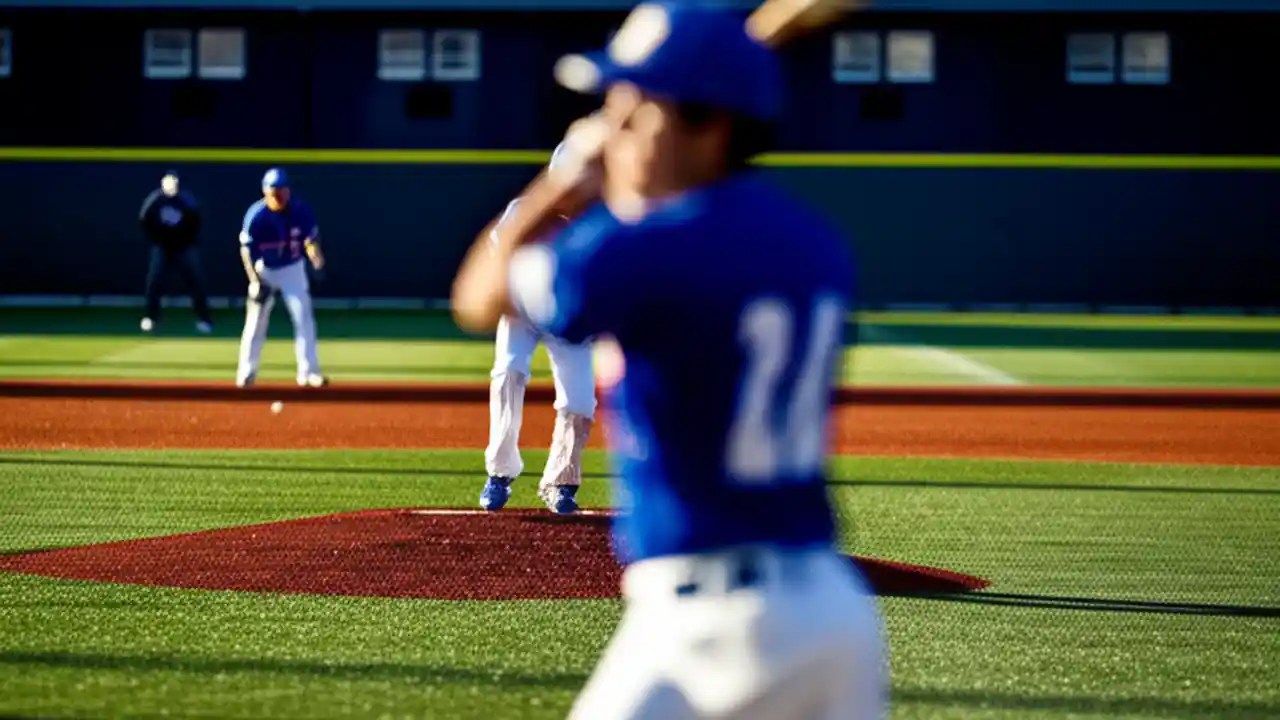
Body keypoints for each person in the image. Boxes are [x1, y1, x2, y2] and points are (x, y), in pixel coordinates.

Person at [450, 3, 887, 718]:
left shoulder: (641, 253)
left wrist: (565, 179)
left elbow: (477, 296)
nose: (617, 125)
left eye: (635, 108)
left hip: (706, 622)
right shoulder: (815, 243)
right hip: (833, 611)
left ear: (709, 125)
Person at [480, 142, 598, 515]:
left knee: (579, 400)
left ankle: (562, 481)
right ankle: (499, 474)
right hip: (520, 309)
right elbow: (495, 269)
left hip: (569, 315)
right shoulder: (523, 212)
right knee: (509, 373)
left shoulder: (598, 220)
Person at [235, 168, 328, 389]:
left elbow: (310, 239)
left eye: (282, 190)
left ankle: (309, 372)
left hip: (292, 269)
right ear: (265, 191)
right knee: (256, 322)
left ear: (288, 190)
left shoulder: (300, 211)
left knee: (303, 318)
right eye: (274, 191)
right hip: (264, 270)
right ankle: (247, 372)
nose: (278, 195)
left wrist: (315, 255)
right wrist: (254, 281)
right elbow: (246, 251)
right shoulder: (256, 215)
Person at [138, 171, 213, 334]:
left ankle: (204, 319)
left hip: (183, 247)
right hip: (162, 247)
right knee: (154, 281)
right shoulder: (155, 201)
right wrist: (157, 239)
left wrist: (186, 240)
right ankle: (151, 317)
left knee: (195, 281)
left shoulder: (186, 202)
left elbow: (196, 219)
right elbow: (144, 218)